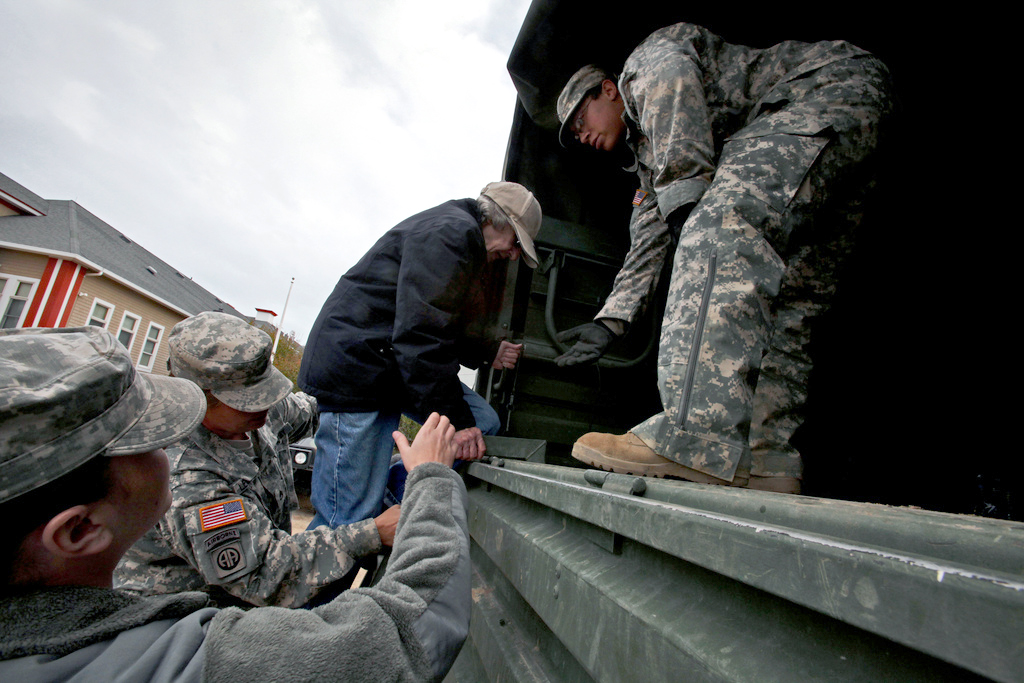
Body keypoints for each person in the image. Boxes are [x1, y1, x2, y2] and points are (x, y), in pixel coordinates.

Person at [0, 326, 470, 682]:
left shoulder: (257, 416)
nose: (263, 408)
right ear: (79, 530)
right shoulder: (192, 484)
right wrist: (386, 522)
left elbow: (312, 406)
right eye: (146, 442)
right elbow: (271, 576)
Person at [554, 23, 894, 493]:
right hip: (842, 125)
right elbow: (649, 240)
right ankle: (768, 462)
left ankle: (696, 437)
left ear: (609, 90)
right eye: (574, 133)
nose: (582, 133)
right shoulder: (652, 159)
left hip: (819, 92)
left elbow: (676, 109)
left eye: (581, 118)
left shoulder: (644, 68)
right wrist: (610, 322)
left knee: (714, 226)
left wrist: (692, 210)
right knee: (791, 299)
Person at [113, 311, 399, 608]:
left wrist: (372, 378)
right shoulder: (184, 475)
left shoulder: (263, 414)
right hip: (188, 628)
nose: (266, 404)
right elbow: (267, 574)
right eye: (250, 400)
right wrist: (371, 534)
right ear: (200, 397)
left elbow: (318, 408)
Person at [299, 181, 542, 527]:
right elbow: (420, 336)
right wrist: (455, 421)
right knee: (345, 520)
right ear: (498, 221)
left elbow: (434, 320)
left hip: (390, 367)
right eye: (516, 242)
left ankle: (383, 499)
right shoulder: (452, 233)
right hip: (358, 371)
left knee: (483, 424)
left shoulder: (462, 237)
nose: (515, 254)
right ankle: (358, 518)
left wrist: (489, 350)